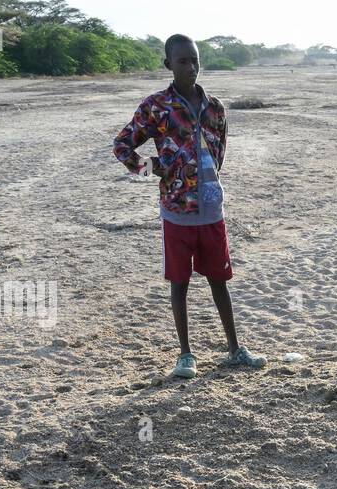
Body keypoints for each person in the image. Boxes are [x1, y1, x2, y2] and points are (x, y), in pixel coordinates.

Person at [112, 34, 266, 378]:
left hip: (211, 209)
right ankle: (185, 355)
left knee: (219, 280)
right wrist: (151, 168)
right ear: (169, 64)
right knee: (179, 283)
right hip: (176, 211)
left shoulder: (215, 107)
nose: (191, 67)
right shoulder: (156, 106)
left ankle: (235, 350)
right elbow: (122, 145)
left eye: (195, 60)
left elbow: (219, 152)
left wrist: (204, 180)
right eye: (183, 61)